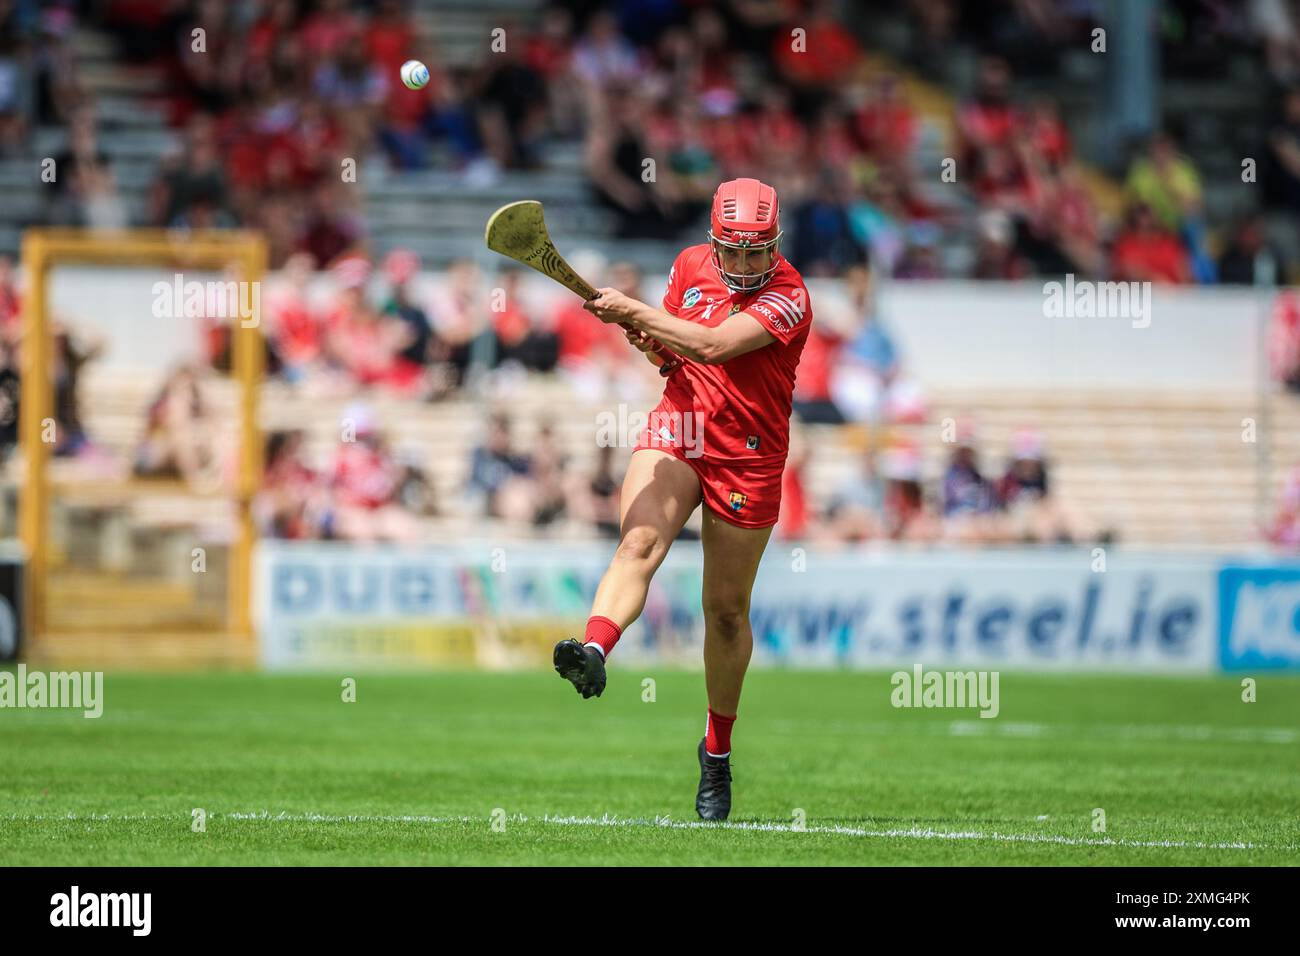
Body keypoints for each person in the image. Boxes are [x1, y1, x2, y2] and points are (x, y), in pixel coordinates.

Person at [552, 178, 813, 822]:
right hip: (683, 423)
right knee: (639, 541)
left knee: (724, 612)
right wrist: (652, 344)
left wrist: (635, 313)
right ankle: (593, 649)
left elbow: (718, 345)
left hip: (749, 453)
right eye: (735, 251)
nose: (747, 266)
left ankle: (716, 752)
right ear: (713, 241)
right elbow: (680, 354)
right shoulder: (690, 267)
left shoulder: (792, 296)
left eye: (759, 252)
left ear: (775, 246)